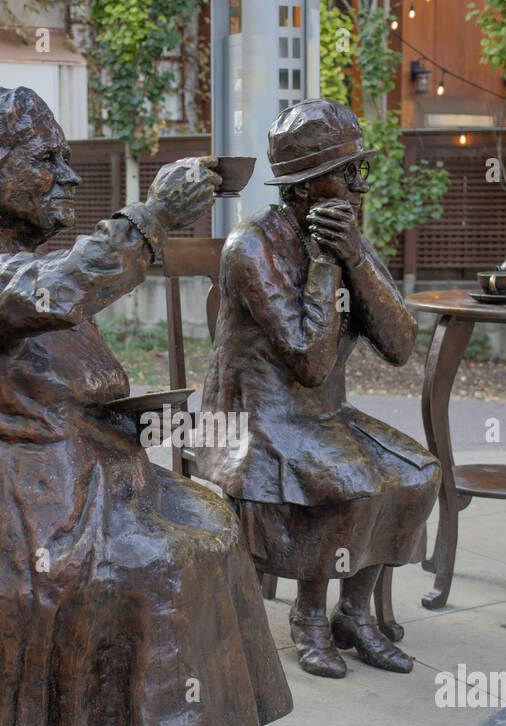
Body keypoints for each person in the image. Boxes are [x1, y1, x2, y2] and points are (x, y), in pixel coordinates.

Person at [0, 88, 300, 726]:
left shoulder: (24, 247)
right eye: (47, 162)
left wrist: (124, 410)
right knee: (160, 561)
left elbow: (58, 339)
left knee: (214, 520)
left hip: (76, 463)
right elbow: (49, 296)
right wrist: (150, 219)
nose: (69, 178)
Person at [197, 99, 441, 680]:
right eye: (350, 171)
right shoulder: (251, 247)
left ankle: (353, 614)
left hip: (320, 416)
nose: (362, 183)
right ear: (306, 188)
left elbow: (401, 344)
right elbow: (310, 362)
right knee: (350, 480)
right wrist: (326, 265)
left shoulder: (344, 234)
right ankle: (307, 618)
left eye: (362, 168)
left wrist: (354, 256)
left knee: (416, 471)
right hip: (251, 422)